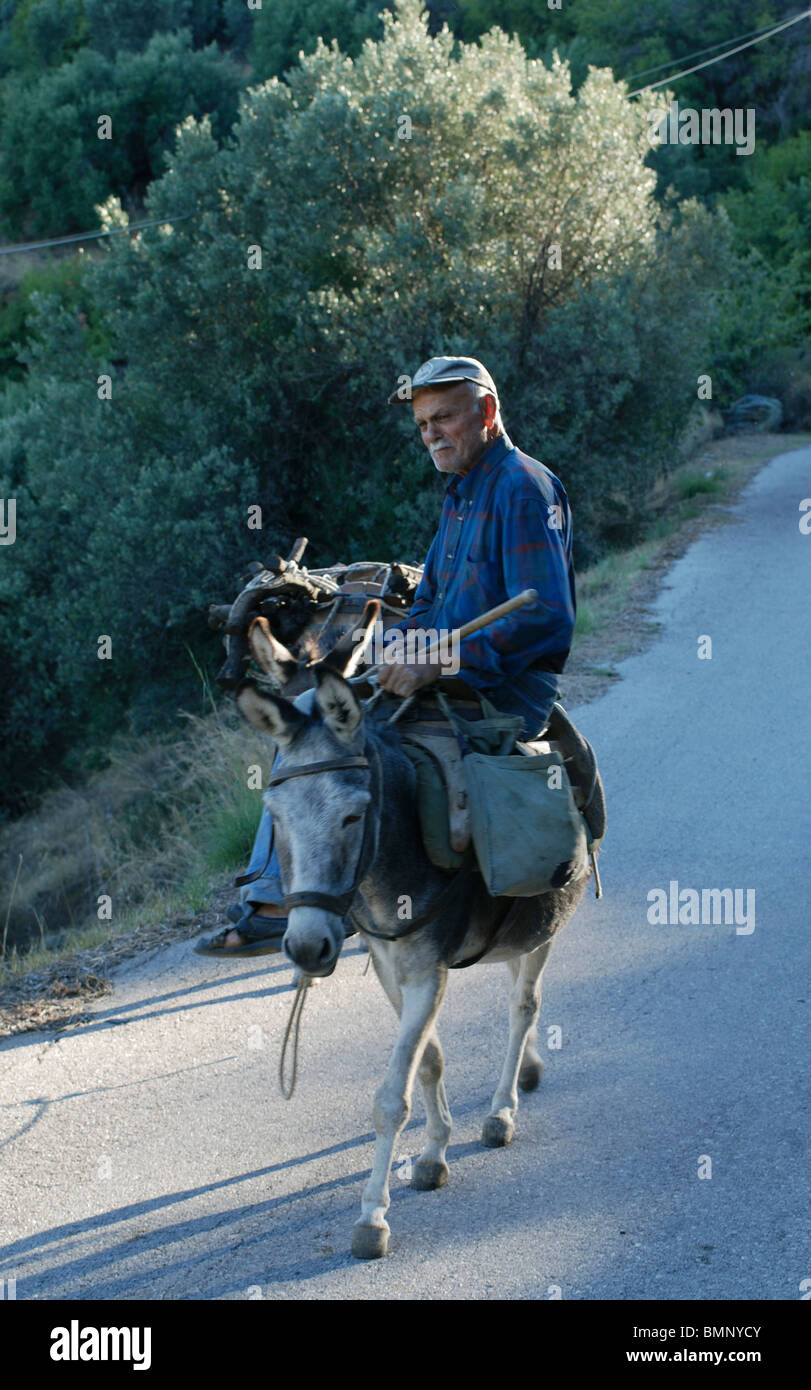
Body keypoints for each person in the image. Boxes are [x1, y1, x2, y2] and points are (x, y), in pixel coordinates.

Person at [195, 356, 576, 957]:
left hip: (505, 689)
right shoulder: (461, 494)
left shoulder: (523, 488)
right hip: (446, 674)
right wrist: (405, 643)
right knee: (305, 721)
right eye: (424, 423)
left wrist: (438, 664)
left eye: (445, 418)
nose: (431, 434)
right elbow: (429, 601)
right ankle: (291, 894)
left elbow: (545, 618)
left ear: (487, 412)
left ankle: (317, 901)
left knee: (355, 747)